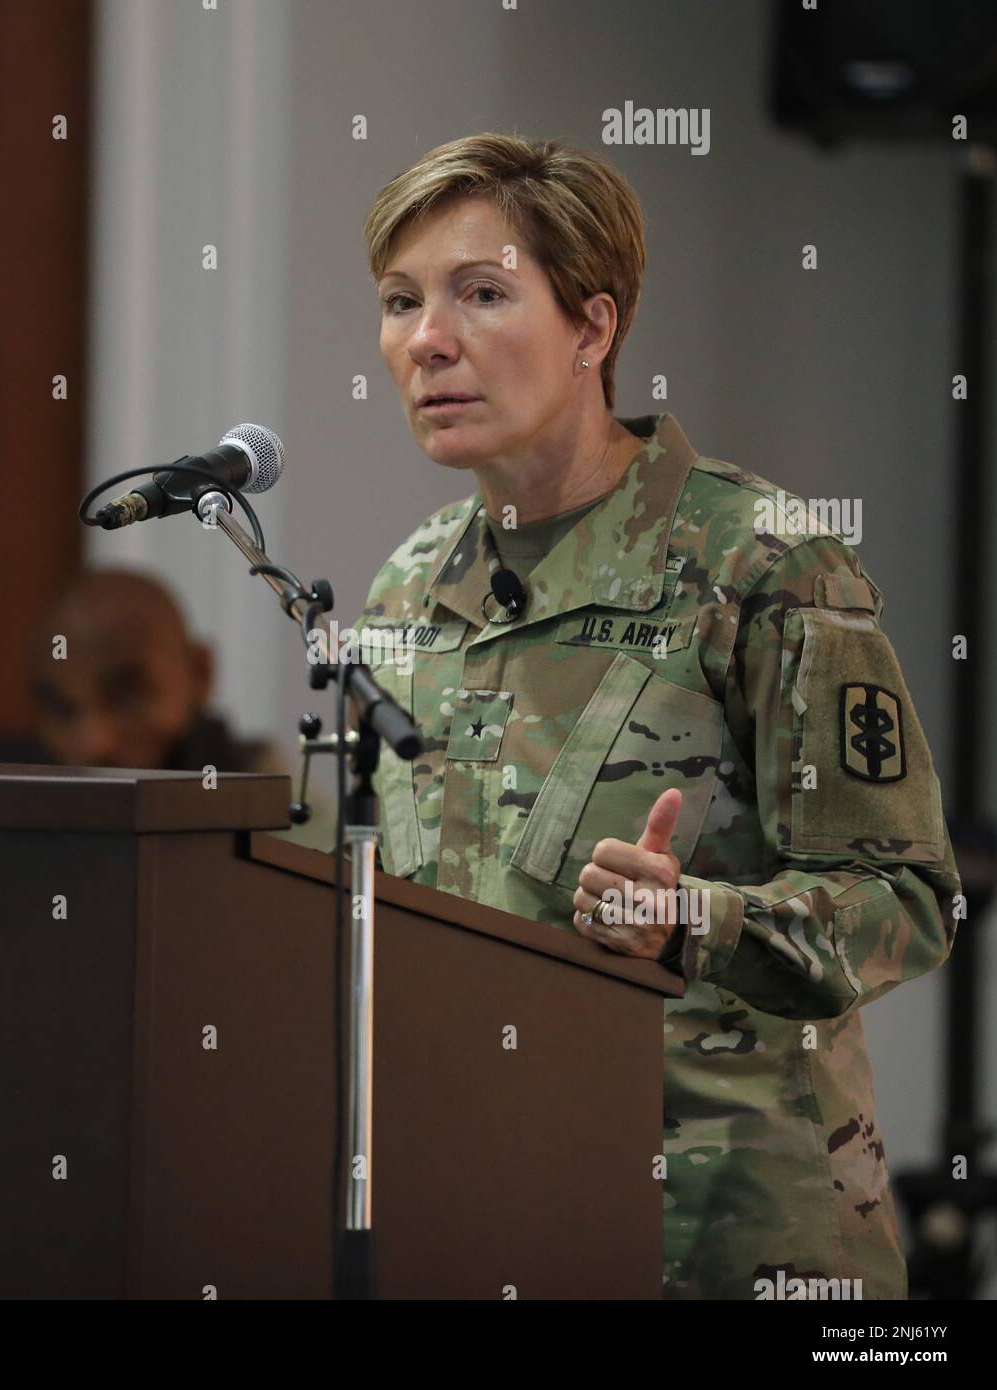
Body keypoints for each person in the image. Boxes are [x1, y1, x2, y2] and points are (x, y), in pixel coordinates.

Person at [353, 132, 961, 1299]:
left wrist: (697, 919)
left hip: (731, 1237)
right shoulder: (408, 587)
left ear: (592, 327)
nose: (427, 339)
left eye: (481, 293)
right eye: (399, 300)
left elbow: (909, 901)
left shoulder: (764, 563)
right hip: (492, 1219)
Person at [29, 568, 284, 775]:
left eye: (125, 699)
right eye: (61, 709)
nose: (95, 744)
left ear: (199, 673)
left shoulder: (292, 828)